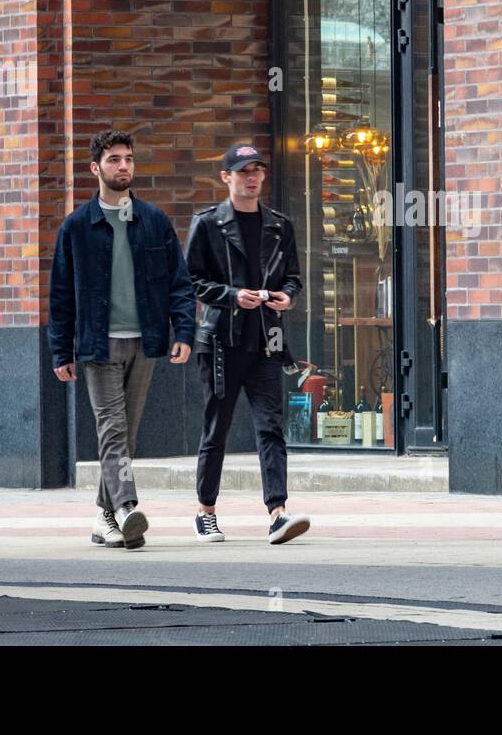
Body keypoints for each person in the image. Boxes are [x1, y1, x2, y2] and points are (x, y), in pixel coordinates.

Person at [49, 129, 196, 550]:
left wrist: (183, 330)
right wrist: (61, 349)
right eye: (114, 159)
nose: (124, 166)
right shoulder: (77, 226)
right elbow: (60, 294)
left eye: (128, 158)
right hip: (98, 345)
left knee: (125, 434)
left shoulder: (153, 221)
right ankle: (129, 507)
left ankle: (103, 517)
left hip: (145, 341)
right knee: (112, 429)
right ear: (96, 168)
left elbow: (179, 282)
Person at [183, 141, 310, 545]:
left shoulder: (278, 225)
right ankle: (206, 511)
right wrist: (232, 295)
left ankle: (277, 513)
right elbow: (191, 280)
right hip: (221, 340)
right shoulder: (207, 224)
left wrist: (288, 296)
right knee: (216, 428)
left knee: (271, 427)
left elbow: (293, 276)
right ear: (226, 177)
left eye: (257, 170)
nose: (252, 177)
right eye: (243, 171)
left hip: (267, 340)